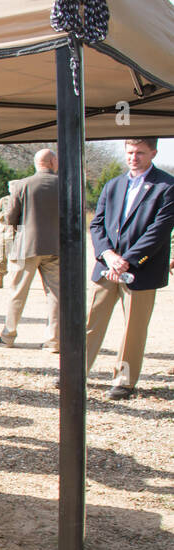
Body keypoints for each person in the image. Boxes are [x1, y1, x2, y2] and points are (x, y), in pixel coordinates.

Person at [85, 137, 174, 399]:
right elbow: (97, 224)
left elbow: (158, 231)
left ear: (153, 153)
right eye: (130, 152)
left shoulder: (167, 187)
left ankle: (123, 382)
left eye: (140, 153)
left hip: (141, 270)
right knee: (91, 322)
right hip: (107, 267)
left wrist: (128, 260)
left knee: (133, 328)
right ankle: (77, 372)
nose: (134, 158)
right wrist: (109, 255)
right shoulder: (113, 185)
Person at [0, 149, 60, 352]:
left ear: (37, 163)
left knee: (17, 293)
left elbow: (11, 218)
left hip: (26, 246)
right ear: (53, 162)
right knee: (56, 295)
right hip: (56, 247)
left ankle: (8, 335)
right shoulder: (66, 184)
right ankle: (54, 340)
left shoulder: (22, 185)